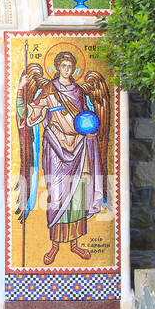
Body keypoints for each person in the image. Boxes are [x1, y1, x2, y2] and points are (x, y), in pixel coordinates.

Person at [19, 51, 108, 265]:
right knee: (57, 196)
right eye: (63, 66)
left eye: (70, 66)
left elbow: (85, 115)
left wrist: (91, 129)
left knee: (78, 195)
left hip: (78, 147)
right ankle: (55, 246)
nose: (67, 70)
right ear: (57, 67)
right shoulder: (48, 89)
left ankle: (75, 243)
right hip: (56, 148)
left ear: (74, 69)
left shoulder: (78, 91)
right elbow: (34, 113)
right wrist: (21, 90)